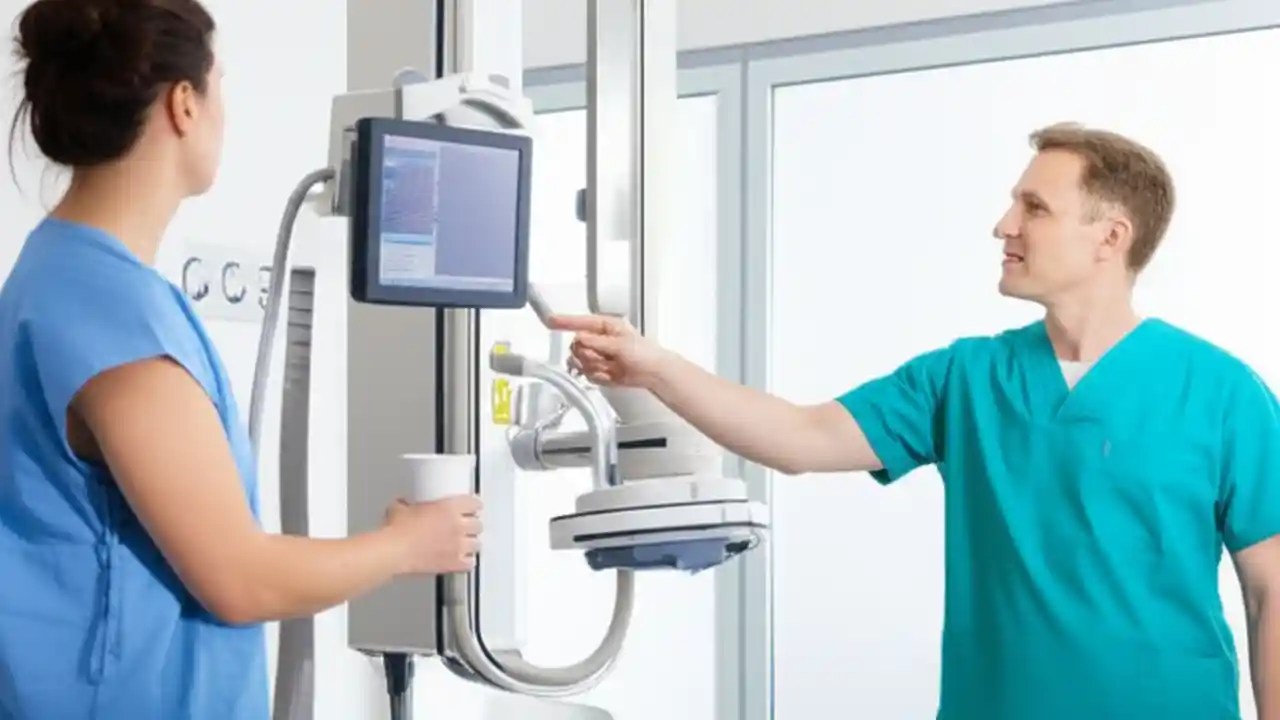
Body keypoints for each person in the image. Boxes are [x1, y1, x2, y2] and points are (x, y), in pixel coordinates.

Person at [553, 123, 1280, 719]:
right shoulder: (963, 378)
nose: (1005, 225)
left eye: (1035, 207)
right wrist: (655, 367)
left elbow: (1270, 591)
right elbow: (800, 439)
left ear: (1110, 237)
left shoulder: (1222, 393)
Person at [0, 1, 483, 718]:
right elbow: (239, 578)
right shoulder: (104, 309)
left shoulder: (74, 279)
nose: (226, 109)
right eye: (219, 82)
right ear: (184, 104)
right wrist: (408, 544)